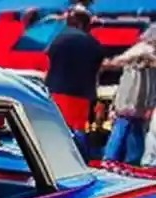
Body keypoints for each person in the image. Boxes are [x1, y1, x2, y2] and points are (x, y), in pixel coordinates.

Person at [46, 5, 104, 156]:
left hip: (56, 91)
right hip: (81, 95)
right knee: (78, 130)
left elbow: (49, 60)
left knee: (55, 128)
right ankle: (80, 160)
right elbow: (96, 71)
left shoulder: (58, 39)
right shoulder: (94, 45)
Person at [104, 24, 156, 164]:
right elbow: (120, 61)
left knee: (133, 129)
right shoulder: (143, 49)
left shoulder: (145, 51)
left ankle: (126, 161)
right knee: (125, 127)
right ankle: (111, 159)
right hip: (132, 98)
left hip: (138, 100)